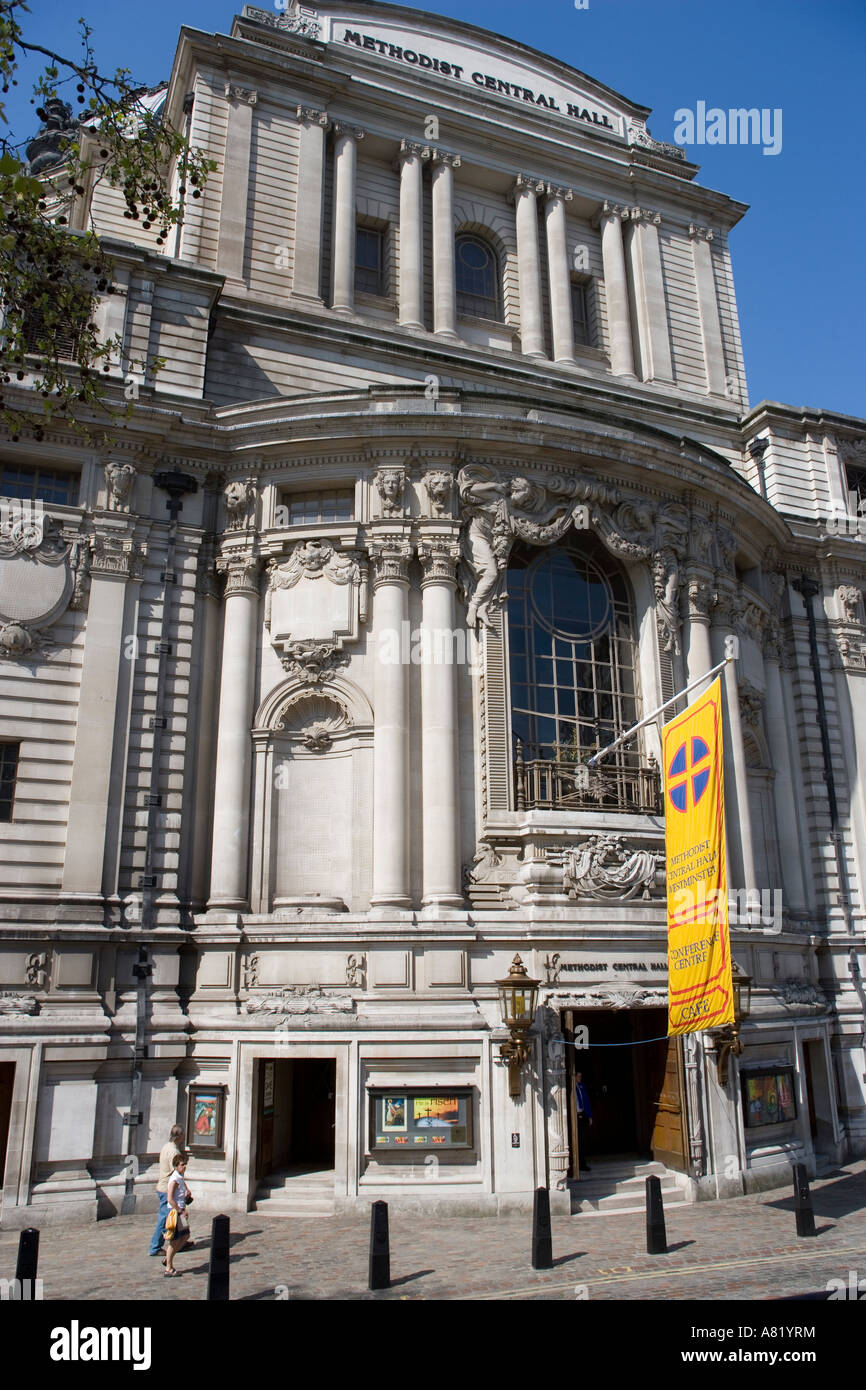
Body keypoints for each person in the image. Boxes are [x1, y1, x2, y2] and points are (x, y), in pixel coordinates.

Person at [149, 1125, 186, 1256]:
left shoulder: (166, 1146)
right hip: (167, 1189)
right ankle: (155, 1246)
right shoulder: (174, 1152)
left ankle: (180, 1239)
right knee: (165, 1218)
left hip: (163, 1186)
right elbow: (177, 1173)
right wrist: (185, 1188)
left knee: (173, 1216)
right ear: (180, 1136)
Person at [163, 1154, 192, 1277]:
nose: (184, 1166)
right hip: (175, 1212)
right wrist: (181, 1211)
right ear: (176, 1166)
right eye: (182, 1164)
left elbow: (182, 1185)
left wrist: (187, 1190)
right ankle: (168, 1268)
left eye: (185, 1164)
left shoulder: (180, 1176)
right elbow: (170, 1199)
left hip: (180, 1210)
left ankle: (168, 1259)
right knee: (174, 1240)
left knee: (185, 1235)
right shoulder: (174, 1179)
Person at [574, 1071, 593, 1174]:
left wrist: (590, 1116)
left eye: (581, 1076)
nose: (580, 1078)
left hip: (582, 1115)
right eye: (578, 1076)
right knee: (577, 1142)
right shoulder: (572, 1088)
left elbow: (586, 1101)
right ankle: (576, 1165)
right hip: (574, 1116)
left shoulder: (582, 1087)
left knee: (582, 1141)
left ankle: (583, 1164)